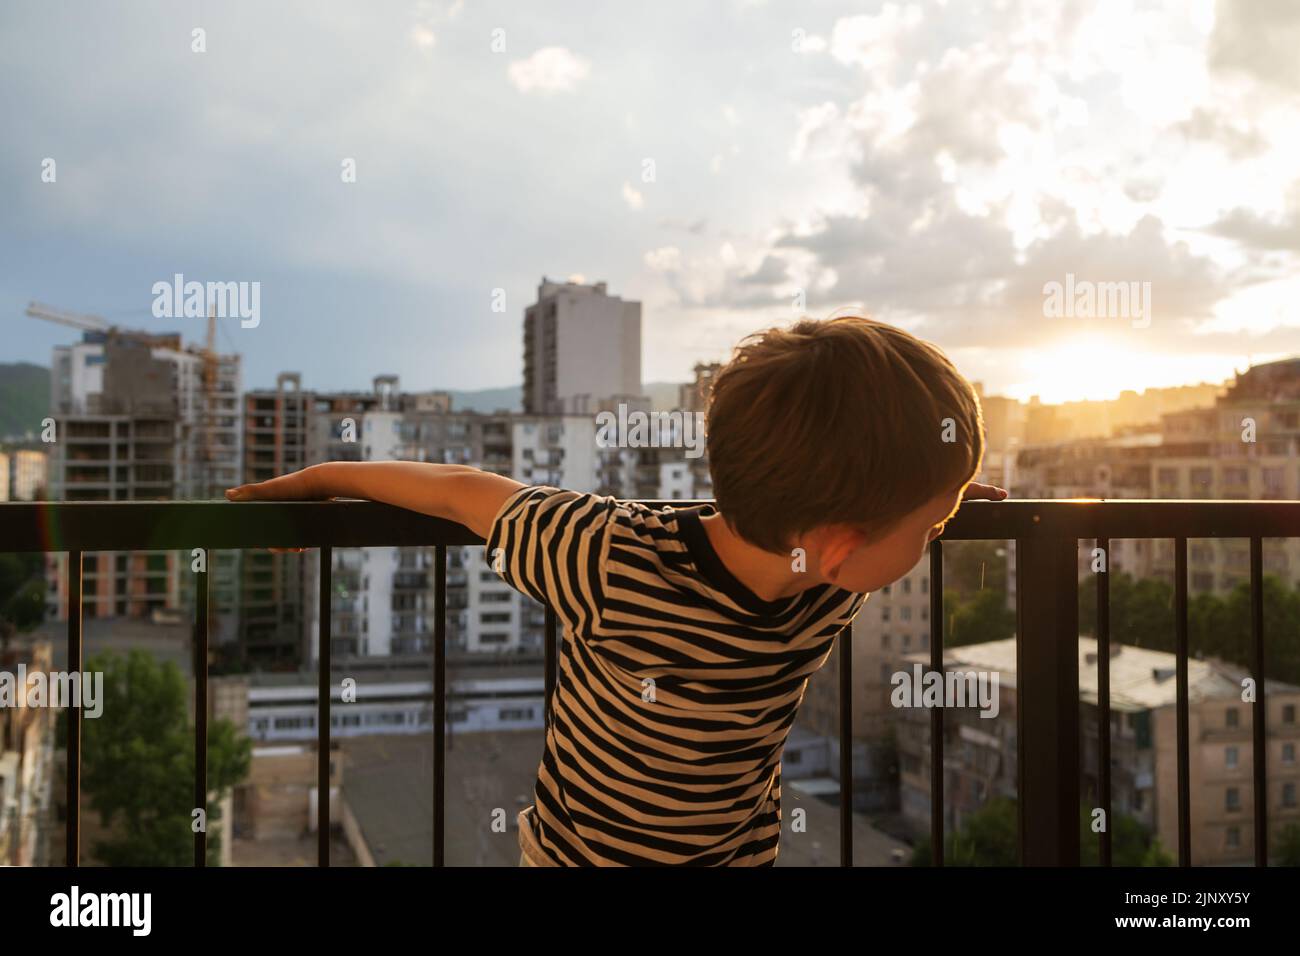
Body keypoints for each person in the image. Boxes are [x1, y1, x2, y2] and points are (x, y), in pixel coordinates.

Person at [225, 313, 1007, 866]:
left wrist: (947, 488)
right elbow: (462, 491)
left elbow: (467, 492)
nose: (938, 535)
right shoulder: (615, 558)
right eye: (933, 527)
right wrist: (321, 480)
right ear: (843, 545)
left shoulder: (830, 574)